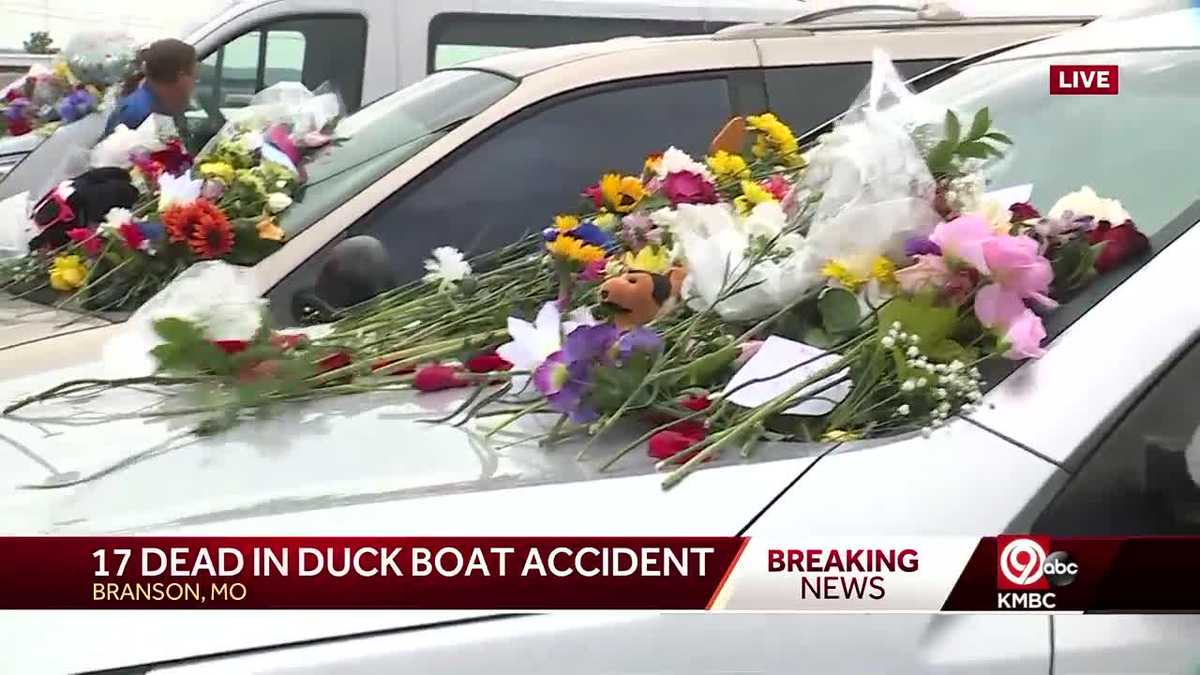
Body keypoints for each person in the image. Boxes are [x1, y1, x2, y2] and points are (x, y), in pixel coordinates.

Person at [103, 39, 197, 138]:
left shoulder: (160, 102)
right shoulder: (140, 117)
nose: (195, 81)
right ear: (181, 77)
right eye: (194, 75)